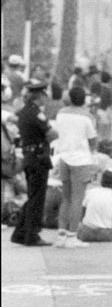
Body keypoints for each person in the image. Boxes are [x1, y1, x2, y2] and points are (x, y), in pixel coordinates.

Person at [11, 78, 58, 246]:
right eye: (44, 95)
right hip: (39, 157)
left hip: (29, 156)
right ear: (40, 96)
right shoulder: (37, 114)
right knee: (37, 199)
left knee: (32, 196)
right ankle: (32, 234)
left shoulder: (23, 112)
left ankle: (20, 232)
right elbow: (52, 134)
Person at [54, 86, 96, 248]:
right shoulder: (87, 116)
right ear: (84, 99)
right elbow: (92, 140)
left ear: (70, 98)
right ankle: (72, 236)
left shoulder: (61, 113)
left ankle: (61, 235)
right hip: (81, 159)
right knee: (77, 200)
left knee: (66, 198)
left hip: (64, 157)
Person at [76, 168, 112, 242]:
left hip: (86, 233)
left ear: (102, 180)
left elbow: (82, 213)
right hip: (105, 235)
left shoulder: (91, 192)